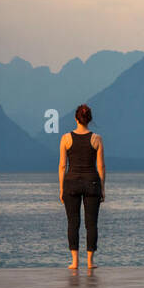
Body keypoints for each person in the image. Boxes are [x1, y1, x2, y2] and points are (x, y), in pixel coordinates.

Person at [58, 104, 105, 269]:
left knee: (73, 223)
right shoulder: (97, 139)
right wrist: (103, 188)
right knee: (91, 223)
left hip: (71, 183)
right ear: (89, 119)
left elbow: (63, 166)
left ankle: (75, 261)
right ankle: (90, 262)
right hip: (92, 183)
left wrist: (61, 189)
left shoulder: (66, 138)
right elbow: (101, 166)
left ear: (76, 118)